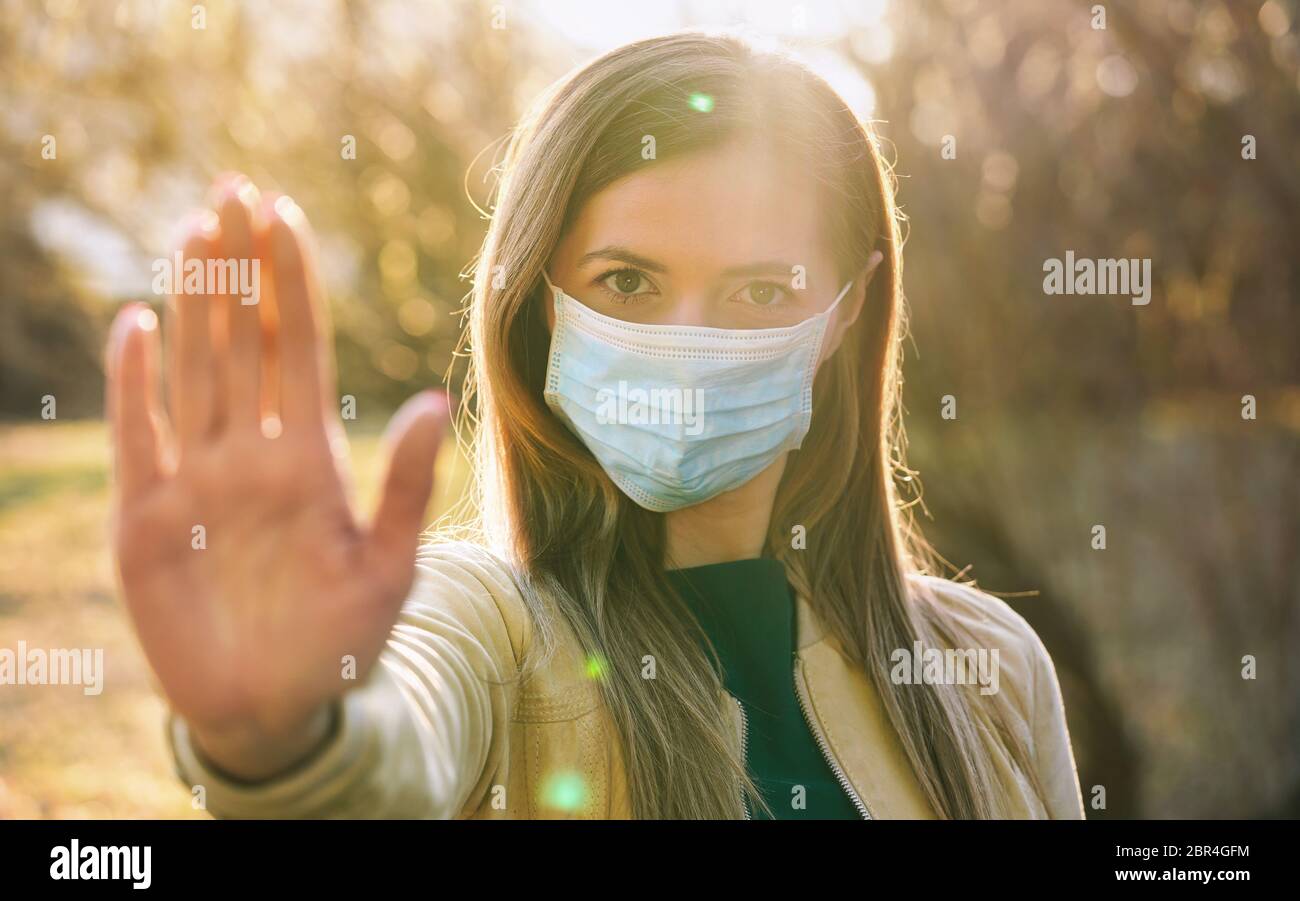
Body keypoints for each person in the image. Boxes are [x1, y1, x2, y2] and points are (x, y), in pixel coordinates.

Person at [105, 31, 1085, 819]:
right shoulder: (487, 633)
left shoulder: (987, 665)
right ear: (536, 303)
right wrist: (290, 740)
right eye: (626, 281)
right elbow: (391, 752)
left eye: (760, 289)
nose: (689, 344)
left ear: (845, 315)